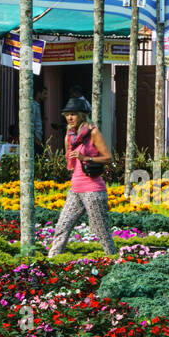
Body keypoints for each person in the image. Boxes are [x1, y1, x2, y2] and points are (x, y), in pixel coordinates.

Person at [48, 97, 118, 257]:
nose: (69, 118)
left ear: (82, 115)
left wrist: (86, 158)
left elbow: (108, 157)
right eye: (67, 115)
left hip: (93, 190)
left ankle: (113, 260)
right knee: (62, 226)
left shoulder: (93, 132)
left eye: (73, 114)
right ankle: (50, 261)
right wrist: (68, 145)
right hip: (75, 189)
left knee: (101, 230)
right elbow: (71, 164)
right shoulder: (70, 136)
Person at [32, 84, 47, 154]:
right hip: (35, 140)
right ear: (38, 94)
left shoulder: (37, 105)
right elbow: (30, 124)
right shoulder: (33, 106)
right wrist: (36, 140)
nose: (46, 96)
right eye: (44, 93)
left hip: (38, 138)